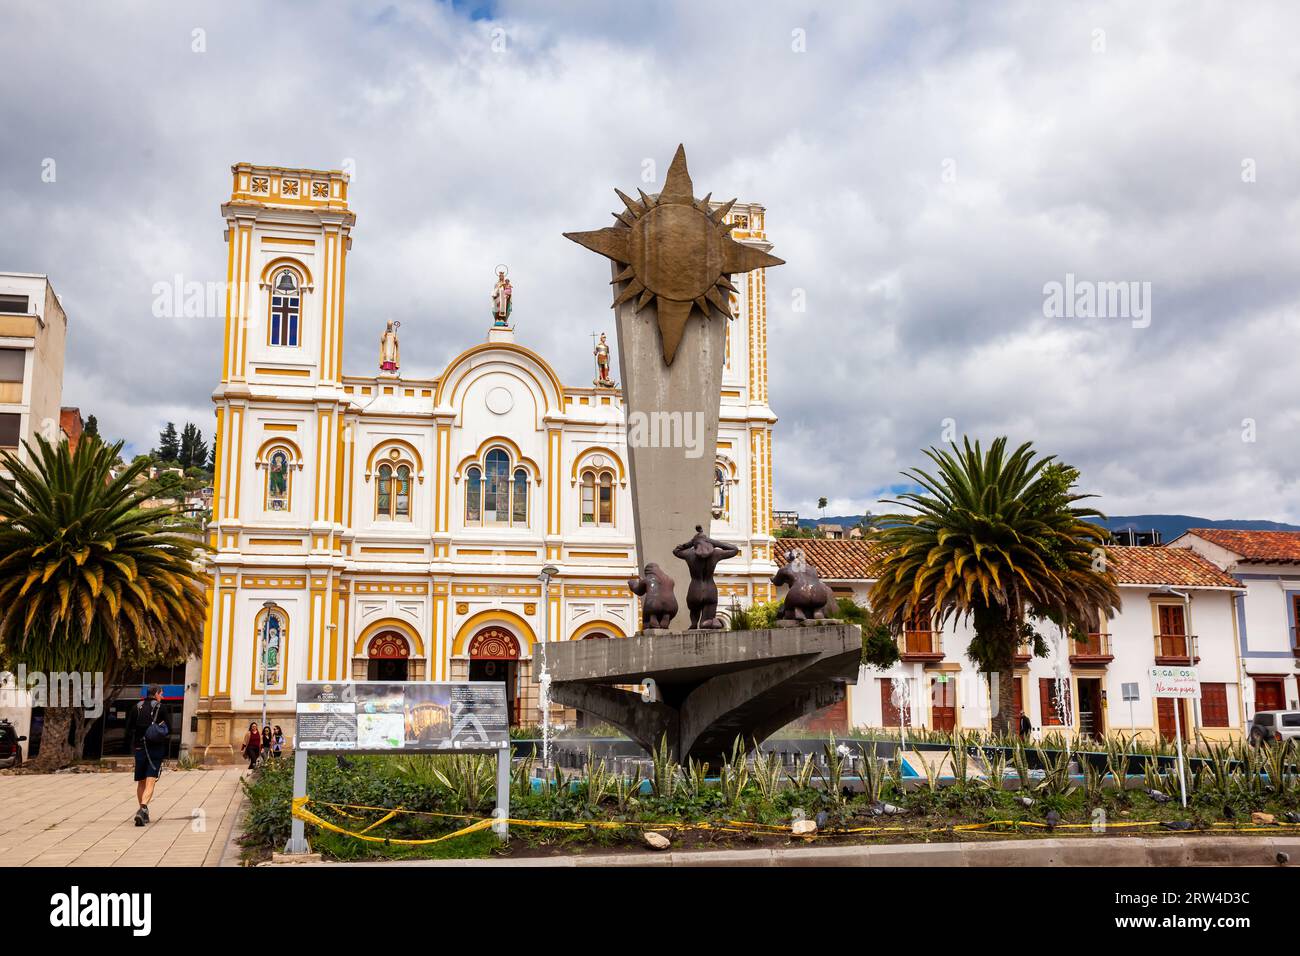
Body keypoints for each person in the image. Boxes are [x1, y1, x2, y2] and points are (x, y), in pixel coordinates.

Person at [130, 686, 169, 827]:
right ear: (156, 694)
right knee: (150, 780)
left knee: (141, 781)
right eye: (161, 694)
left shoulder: (136, 707)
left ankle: (143, 811)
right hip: (155, 749)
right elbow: (167, 730)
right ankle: (143, 808)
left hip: (140, 748)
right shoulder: (161, 708)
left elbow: (129, 728)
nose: (162, 697)